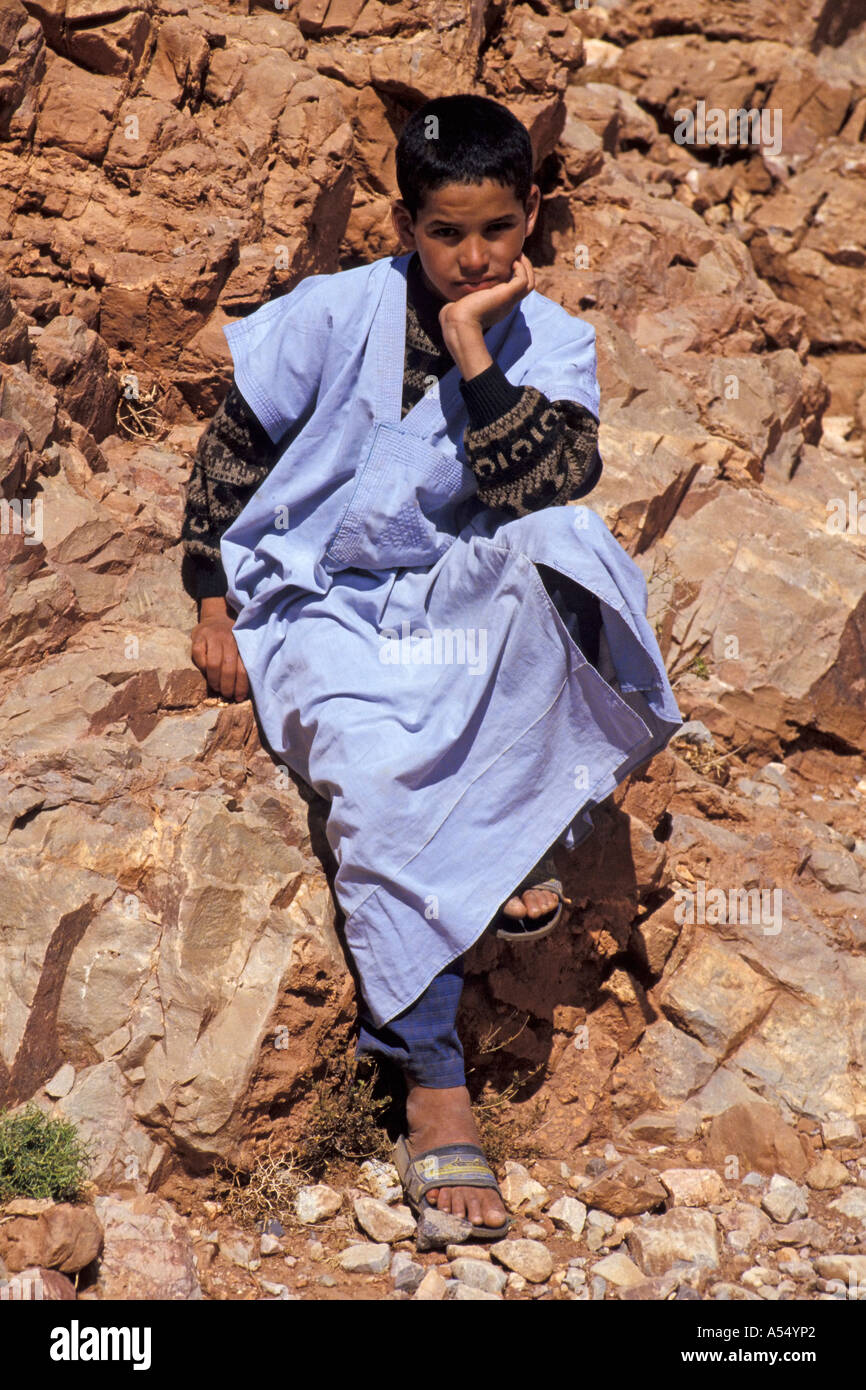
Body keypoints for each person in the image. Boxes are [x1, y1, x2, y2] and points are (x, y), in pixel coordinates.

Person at [180, 94, 682, 1237]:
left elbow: (540, 487)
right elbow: (231, 451)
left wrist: (474, 356)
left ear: (532, 213)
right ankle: (430, 1076)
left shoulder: (546, 340)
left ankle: (522, 823)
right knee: (371, 773)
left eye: (497, 229)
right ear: (404, 220)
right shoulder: (336, 310)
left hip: (449, 589)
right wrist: (211, 595)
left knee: (569, 546)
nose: (472, 256)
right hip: (311, 598)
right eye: (446, 232)